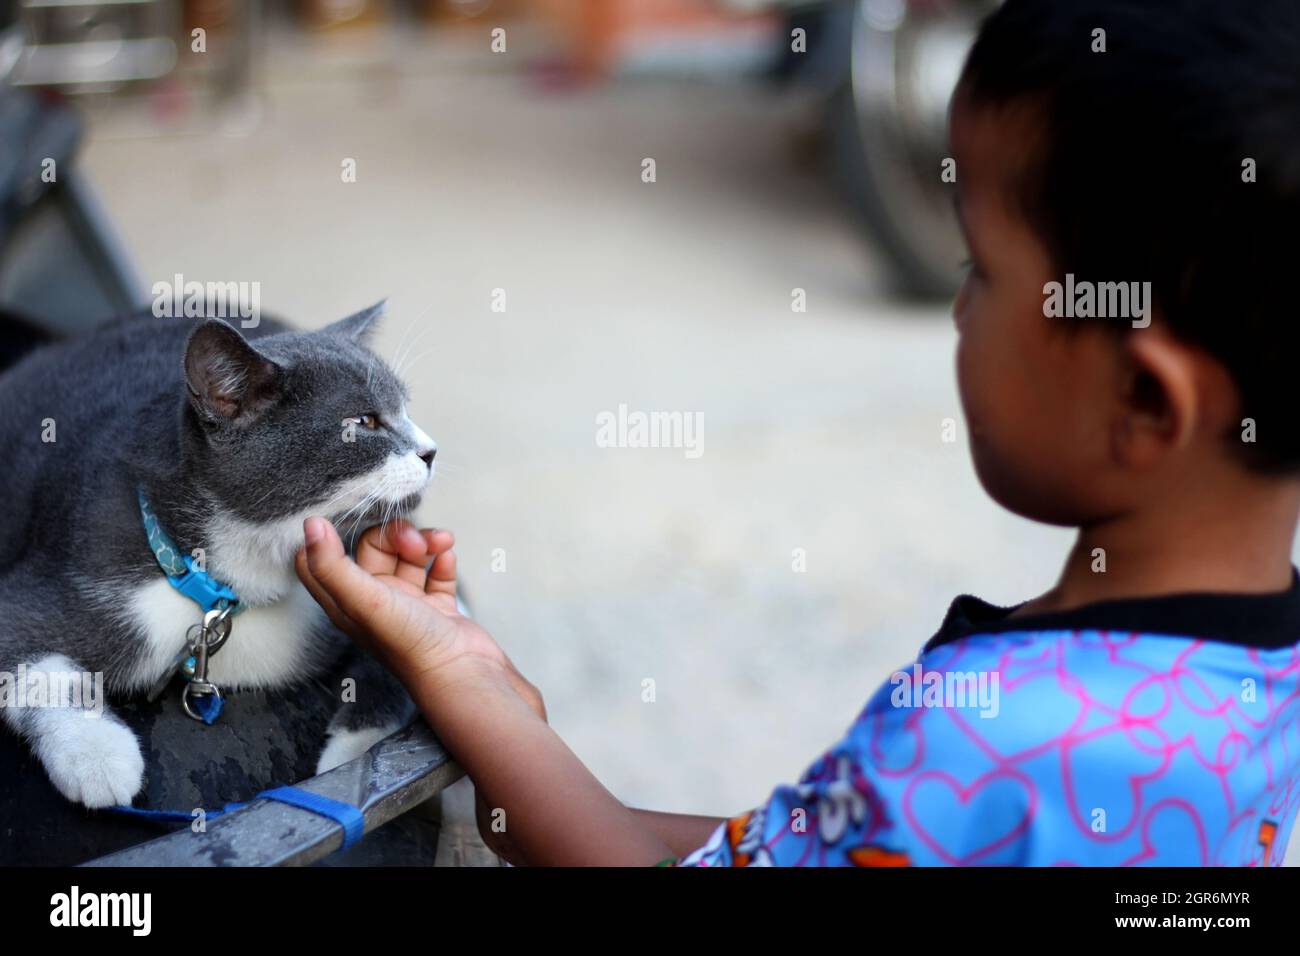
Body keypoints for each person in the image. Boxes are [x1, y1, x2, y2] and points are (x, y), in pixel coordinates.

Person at [294, 0, 1300, 865]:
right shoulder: (1248, 678)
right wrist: (514, 742)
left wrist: (466, 685)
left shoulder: (980, 734)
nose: (957, 312)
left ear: (1144, 403)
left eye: (980, 269)